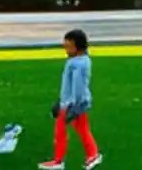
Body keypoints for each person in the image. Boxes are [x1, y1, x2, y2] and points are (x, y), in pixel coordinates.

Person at [39, 29, 102, 170]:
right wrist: (60, 101)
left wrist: (74, 107)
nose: (66, 50)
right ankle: (85, 156)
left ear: (78, 47)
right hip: (67, 103)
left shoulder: (78, 64)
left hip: (73, 105)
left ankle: (66, 159)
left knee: (74, 131)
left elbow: (78, 87)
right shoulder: (75, 61)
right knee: (72, 131)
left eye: (69, 47)